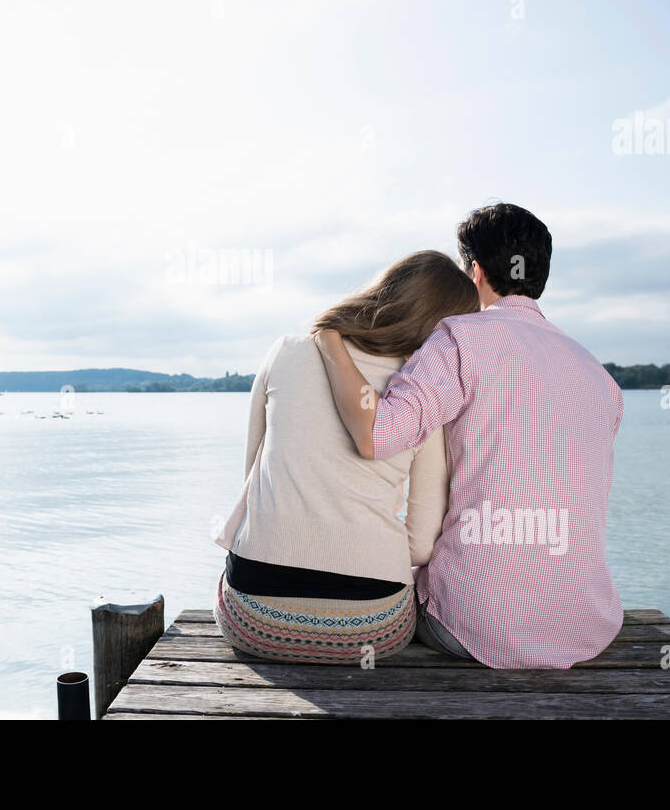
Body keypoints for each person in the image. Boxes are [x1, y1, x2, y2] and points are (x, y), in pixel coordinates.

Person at [314, 203, 624, 668]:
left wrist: (329, 339)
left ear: (474, 270)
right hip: (588, 625)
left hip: (474, 625)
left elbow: (378, 434)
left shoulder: (459, 338)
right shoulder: (598, 375)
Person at [213, 251, 479, 664]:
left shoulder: (287, 351)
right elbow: (422, 542)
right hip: (372, 627)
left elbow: (253, 476)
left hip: (255, 619)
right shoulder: (424, 395)